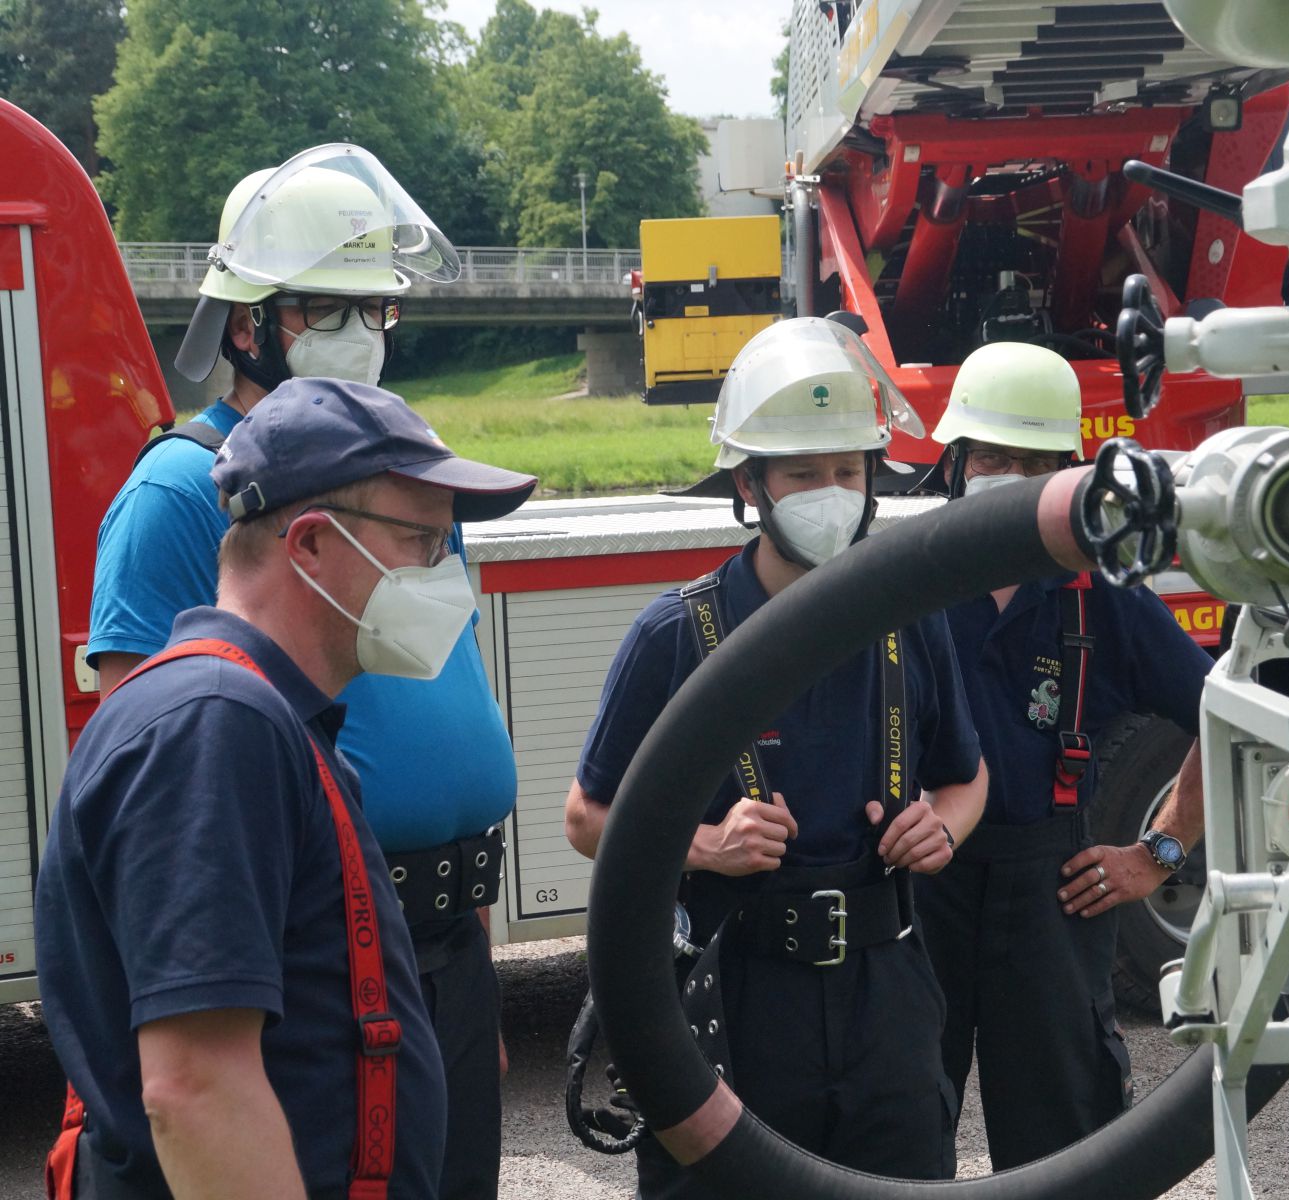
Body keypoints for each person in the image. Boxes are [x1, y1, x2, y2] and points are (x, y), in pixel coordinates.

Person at [86, 146, 523, 1199]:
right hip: (320, 963)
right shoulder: (186, 490)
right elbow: (160, 772)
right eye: (331, 307)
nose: (361, 336)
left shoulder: (400, 481)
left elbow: (441, 699)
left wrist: (472, 981)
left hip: (441, 945)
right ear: (248, 324)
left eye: (379, 312)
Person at [35, 379, 536, 1198]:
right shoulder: (216, 726)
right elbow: (196, 1089)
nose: (448, 578)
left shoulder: (265, 721)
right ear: (309, 543)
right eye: (425, 542)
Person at [563, 316, 988, 1194]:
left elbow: (966, 777)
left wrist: (940, 827)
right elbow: (585, 818)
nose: (829, 491)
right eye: (803, 473)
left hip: (888, 991)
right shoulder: (677, 635)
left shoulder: (913, 614)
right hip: (736, 988)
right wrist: (705, 843)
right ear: (750, 482)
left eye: (846, 470)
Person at [915, 340, 1210, 1169]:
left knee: (1065, 1148)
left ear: (1069, 475)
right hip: (916, 889)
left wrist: (1161, 849)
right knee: (895, 1125)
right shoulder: (900, 581)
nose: (1008, 475)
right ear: (954, 462)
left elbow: (1230, 716)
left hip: (1055, 892)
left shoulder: (1106, 595)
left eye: (1034, 461)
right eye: (993, 456)